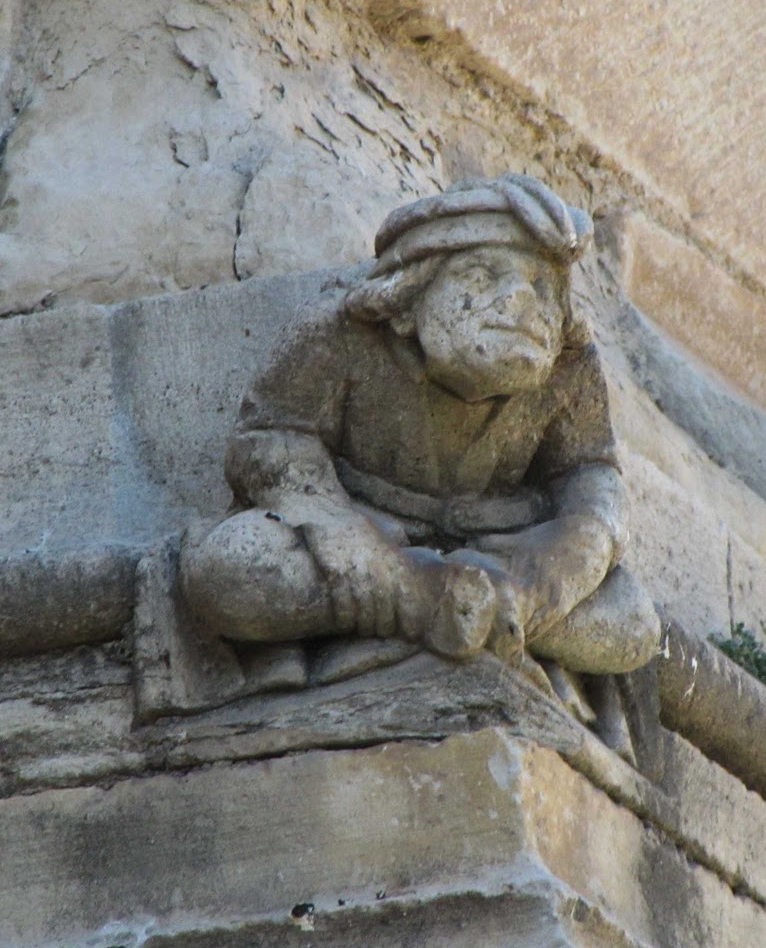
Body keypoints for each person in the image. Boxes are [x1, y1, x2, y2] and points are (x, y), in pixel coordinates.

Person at [180, 174, 660, 681]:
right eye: (482, 275)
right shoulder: (342, 330)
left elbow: (591, 472)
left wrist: (563, 563)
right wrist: (342, 536)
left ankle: (492, 612)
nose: (522, 300)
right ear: (413, 292)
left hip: (502, 552)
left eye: (543, 287)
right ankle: (432, 607)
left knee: (634, 624)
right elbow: (271, 436)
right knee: (231, 567)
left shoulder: (569, 365)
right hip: (367, 536)